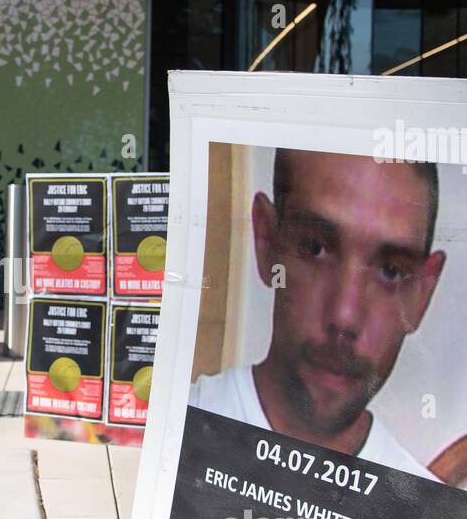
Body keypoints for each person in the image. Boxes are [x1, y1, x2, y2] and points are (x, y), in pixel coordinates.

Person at [190, 148, 445, 480]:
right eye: (314, 248)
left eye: (391, 271)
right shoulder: (173, 431)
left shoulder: (426, 517)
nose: (344, 316)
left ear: (422, 294)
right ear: (266, 241)